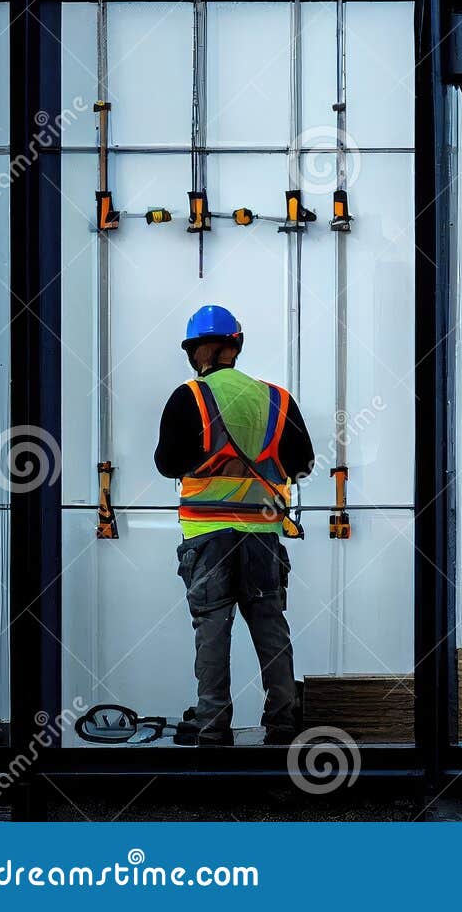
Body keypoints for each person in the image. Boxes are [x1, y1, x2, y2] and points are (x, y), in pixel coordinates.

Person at [153, 305, 315, 746]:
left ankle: (212, 726)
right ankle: (283, 722)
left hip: (207, 538)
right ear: (235, 347)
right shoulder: (277, 399)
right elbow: (303, 464)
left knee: (212, 629)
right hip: (262, 535)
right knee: (269, 625)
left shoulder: (188, 397)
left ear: (194, 351)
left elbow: (167, 464)